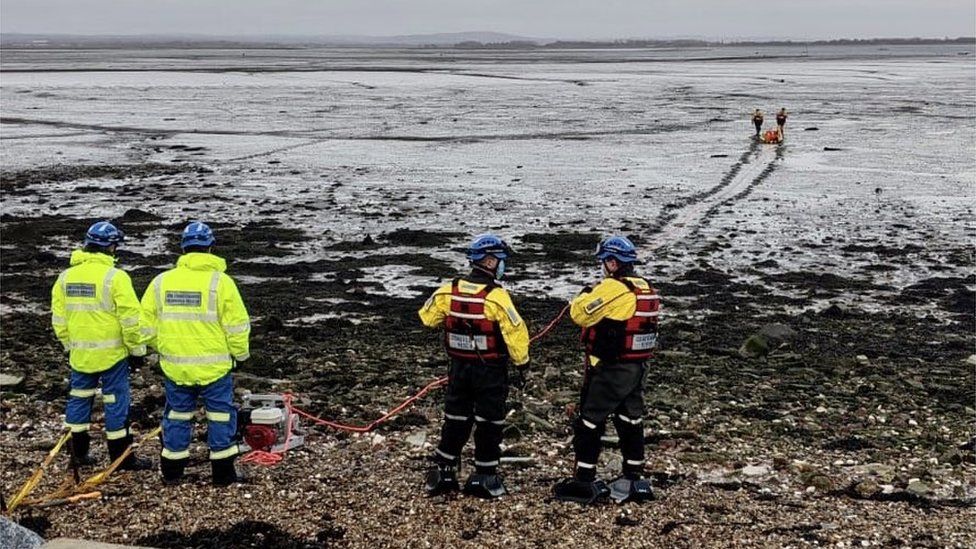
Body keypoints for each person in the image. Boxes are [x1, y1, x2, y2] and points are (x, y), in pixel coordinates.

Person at [418, 234, 530, 498]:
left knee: (456, 417)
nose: (503, 265)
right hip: (490, 370)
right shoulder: (497, 297)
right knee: (490, 421)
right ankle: (485, 474)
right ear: (490, 262)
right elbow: (516, 332)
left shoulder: (448, 290)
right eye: (501, 260)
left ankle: (445, 471)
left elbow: (427, 317)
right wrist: (522, 363)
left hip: (459, 368)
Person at [140, 222, 251, 486]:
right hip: (215, 367)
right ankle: (223, 475)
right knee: (220, 416)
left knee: (177, 415)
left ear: (183, 249)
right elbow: (237, 326)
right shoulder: (221, 283)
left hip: (175, 366)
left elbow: (144, 326)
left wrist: (163, 348)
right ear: (211, 248)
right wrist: (240, 356)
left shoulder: (161, 282)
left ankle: (172, 472)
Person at [553, 236, 660, 505]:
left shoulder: (613, 288)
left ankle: (584, 478)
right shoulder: (646, 287)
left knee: (590, 420)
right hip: (638, 365)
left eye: (604, 261)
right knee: (630, 418)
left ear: (612, 263)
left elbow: (579, 314)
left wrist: (585, 295)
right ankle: (633, 475)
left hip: (611, 366)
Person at [51, 221, 152, 471]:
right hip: (113, 355)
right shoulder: (116, 278)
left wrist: (69, 345)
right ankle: (121, 459)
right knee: (116, 403)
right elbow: (131, 320)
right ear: (112, 247)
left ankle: (77, 454)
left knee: (78, 400)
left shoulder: (65, 278)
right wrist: (137, 350)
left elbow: (59, 319)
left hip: (80, 354)